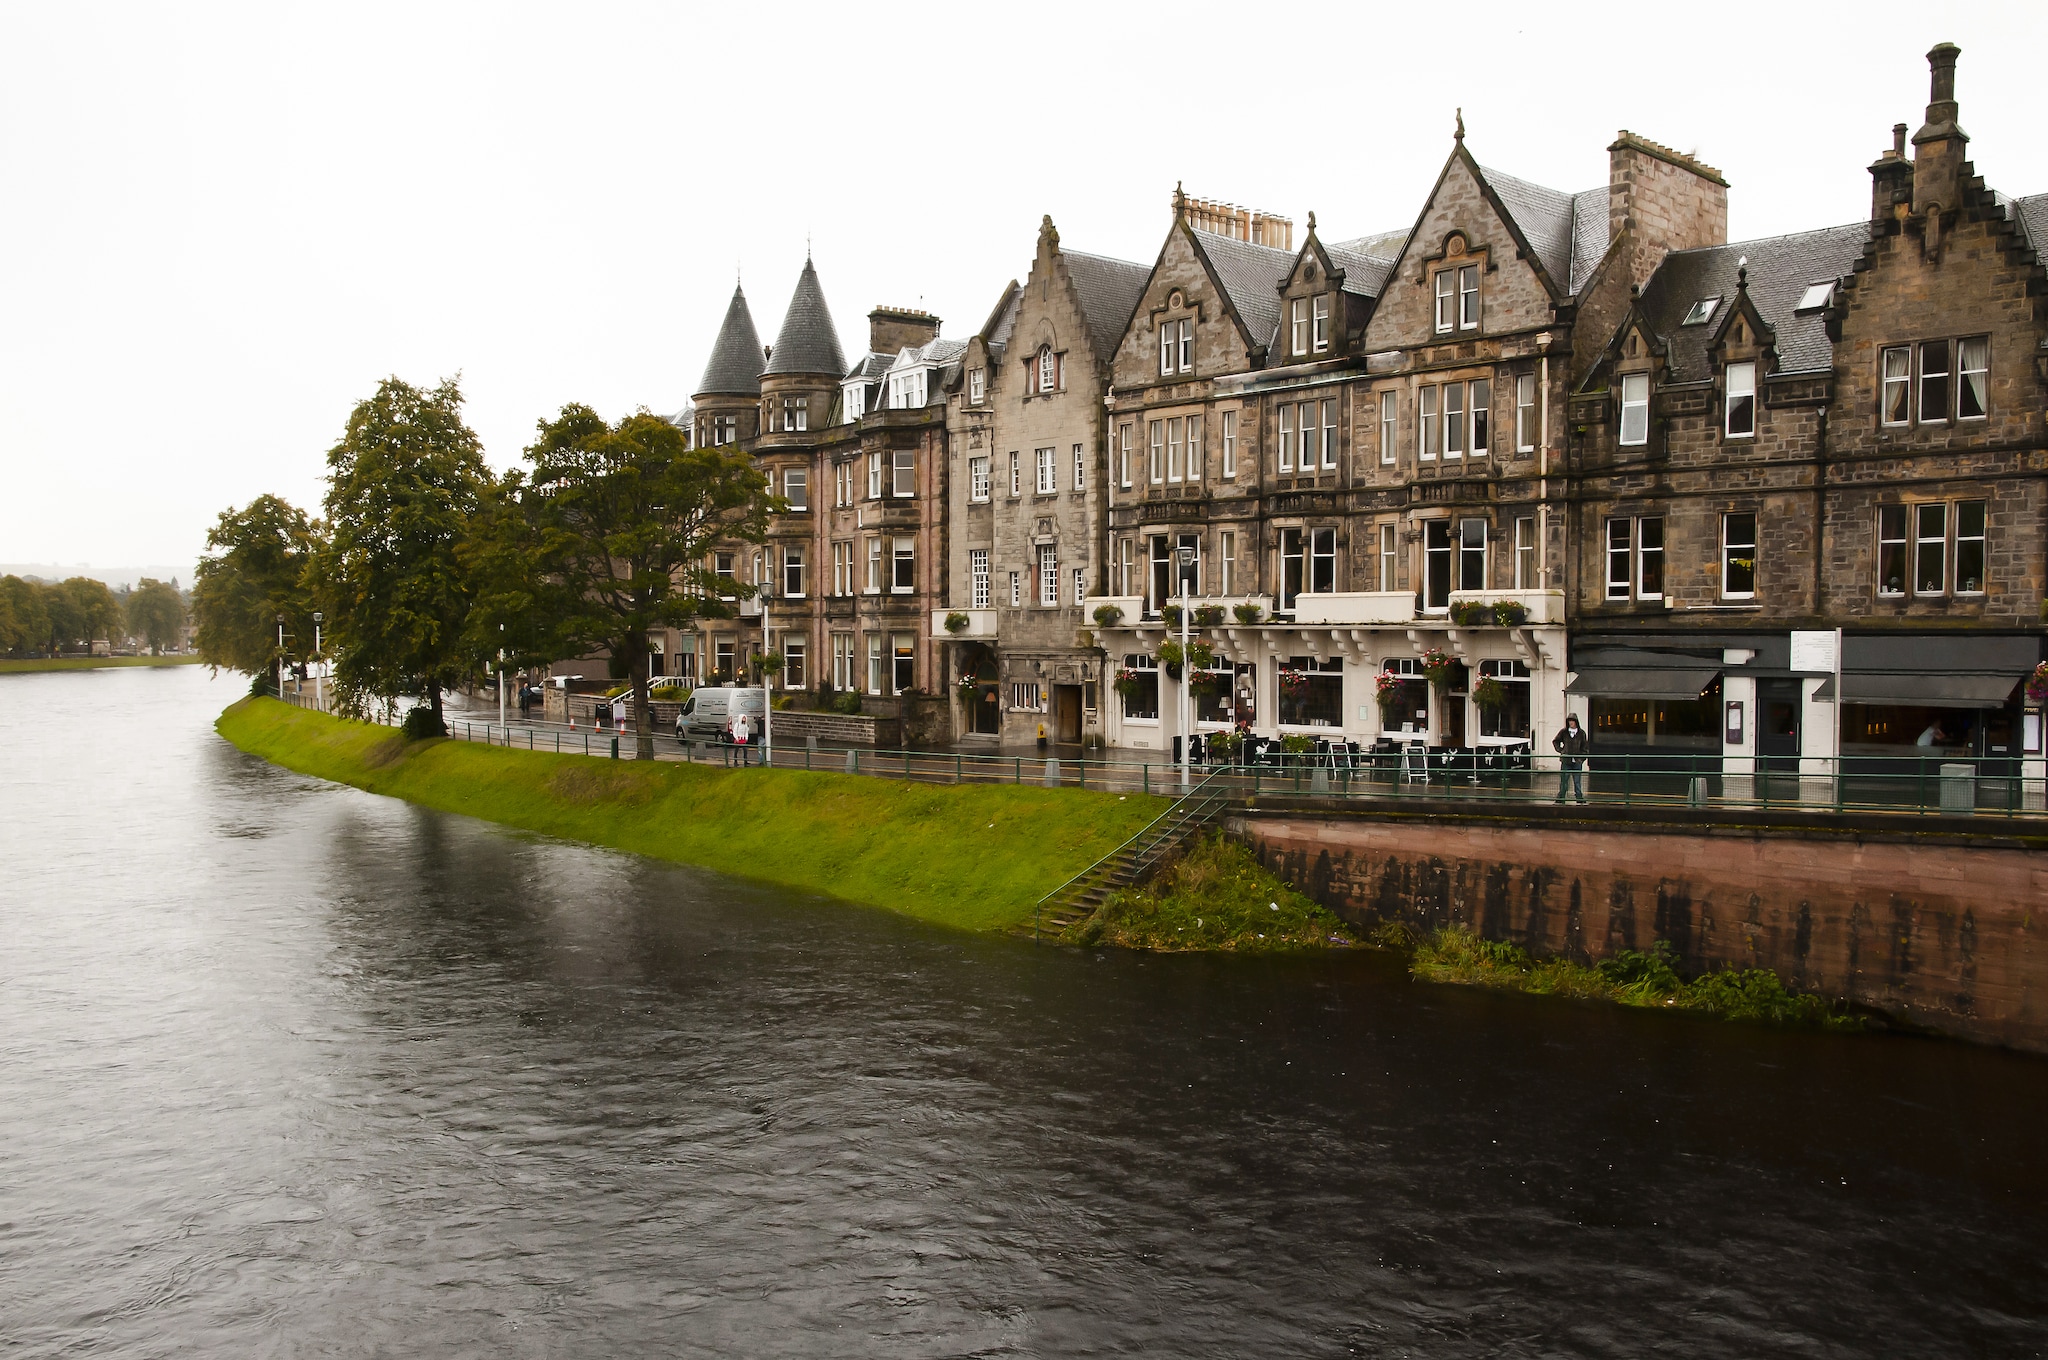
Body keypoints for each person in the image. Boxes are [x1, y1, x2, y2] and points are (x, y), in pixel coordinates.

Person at [1552, 714, 1590, 803]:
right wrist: (1561, 750)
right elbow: (1555, 741)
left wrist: (1582, 757)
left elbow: (1585, 746)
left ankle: (1579, 798)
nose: (1571, 723)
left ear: (1576, 722)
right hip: (1566, 761)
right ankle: (1561, 797)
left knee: (1577, 782)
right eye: (1569, 721)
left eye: (1572, 721)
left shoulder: (1581, 733)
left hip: (1577, 761)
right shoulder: (1564, 732)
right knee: (1564, 780)